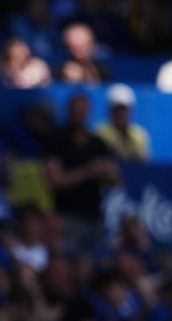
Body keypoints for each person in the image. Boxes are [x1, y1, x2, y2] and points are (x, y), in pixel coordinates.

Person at [43, 94, 119, 253]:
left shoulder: (97, 143)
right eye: (75, 110)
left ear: (88, 112)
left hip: (95, 218)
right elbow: (55, 180)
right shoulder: (56, 140)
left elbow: (116, 179)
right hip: (67, 217)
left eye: (82, 111)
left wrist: (105, 172)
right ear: (68, 111)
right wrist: (88, 171)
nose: (78, 114)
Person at [93, 84, 150, 162]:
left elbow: (145, 164)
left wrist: (135, 155)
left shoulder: (139, 135)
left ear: (130, 110)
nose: (120, 113)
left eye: (124, 109)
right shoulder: (99, 133)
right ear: (110, 110)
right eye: (117, 109)